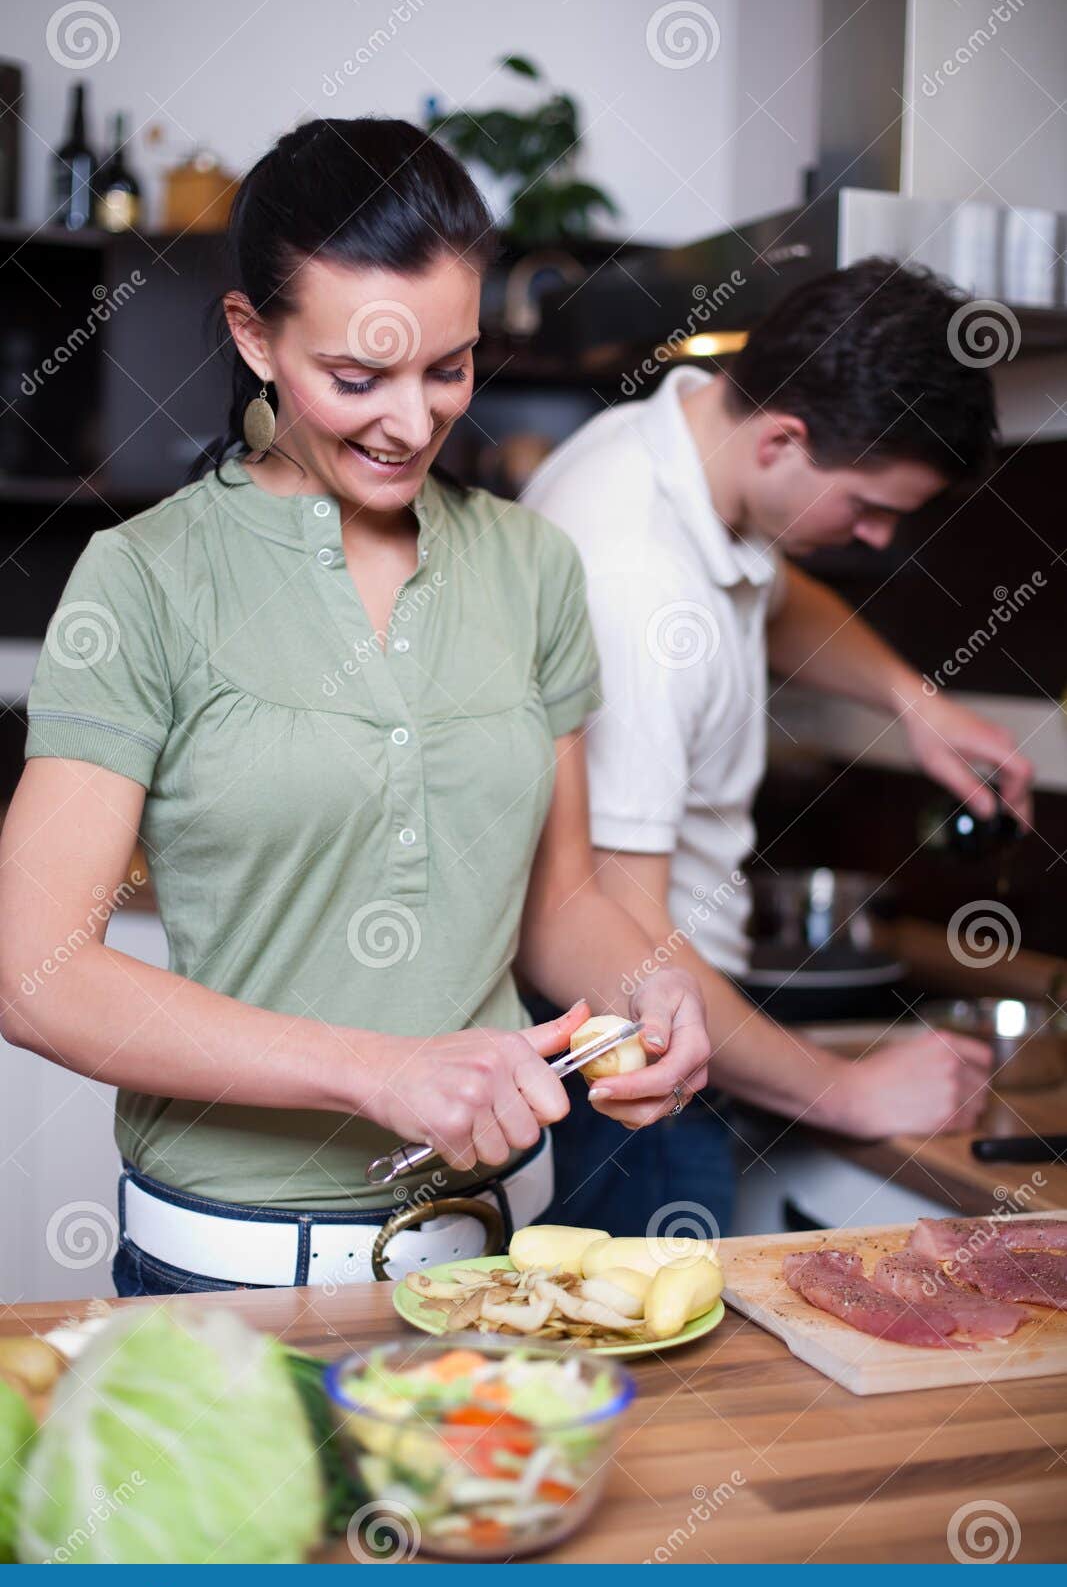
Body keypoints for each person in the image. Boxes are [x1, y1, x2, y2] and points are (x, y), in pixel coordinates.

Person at [0, 118, 712, 1298]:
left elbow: (564, 898)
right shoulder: (144, 577)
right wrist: (376, 1071)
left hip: (483, 1276)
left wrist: (652, 987)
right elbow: (34, 970)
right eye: (355, 377)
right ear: (254, 336)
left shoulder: (528, 566)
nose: (410, 422)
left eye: (448, 367)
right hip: (218, 1285)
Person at [523, 257, 1033, 1235]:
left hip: (669, 1035)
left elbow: (775, 594)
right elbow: (623, 950)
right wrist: (846, 1092)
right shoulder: (635, 584)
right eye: (867, 507)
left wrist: (912, 703)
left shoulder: (680, 451)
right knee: (661, 1379)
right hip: (634, 1079)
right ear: (784, 438)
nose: (876, 538)